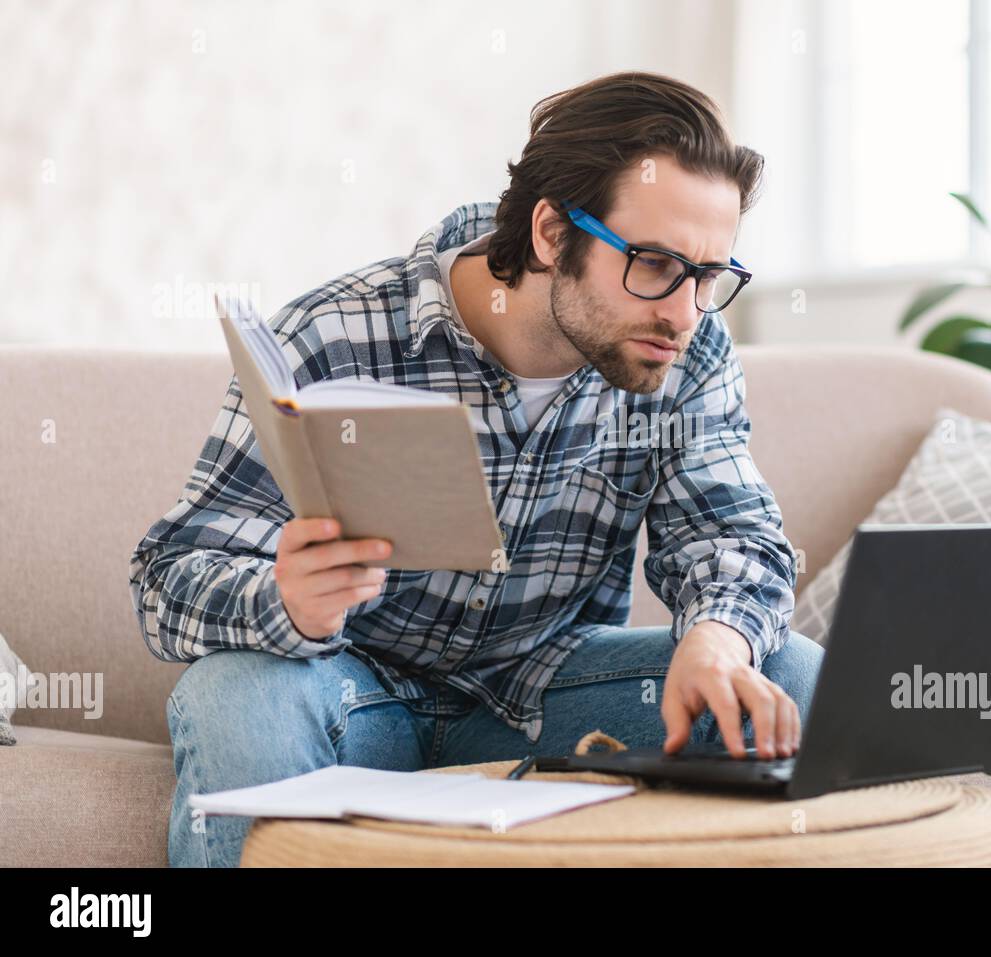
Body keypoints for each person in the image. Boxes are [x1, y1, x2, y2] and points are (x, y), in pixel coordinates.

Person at [129, 70, 823, 868]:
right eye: (656, 264)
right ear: (552, 233)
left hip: (547, 696)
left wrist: (719, 640)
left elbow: (734, 537)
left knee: (789, 674)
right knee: (236, 693)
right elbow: (166, 581)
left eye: (709, 276)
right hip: (351, 699)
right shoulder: (336, 334)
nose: (684, 311)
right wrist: (283, 601)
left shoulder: (685, 352)